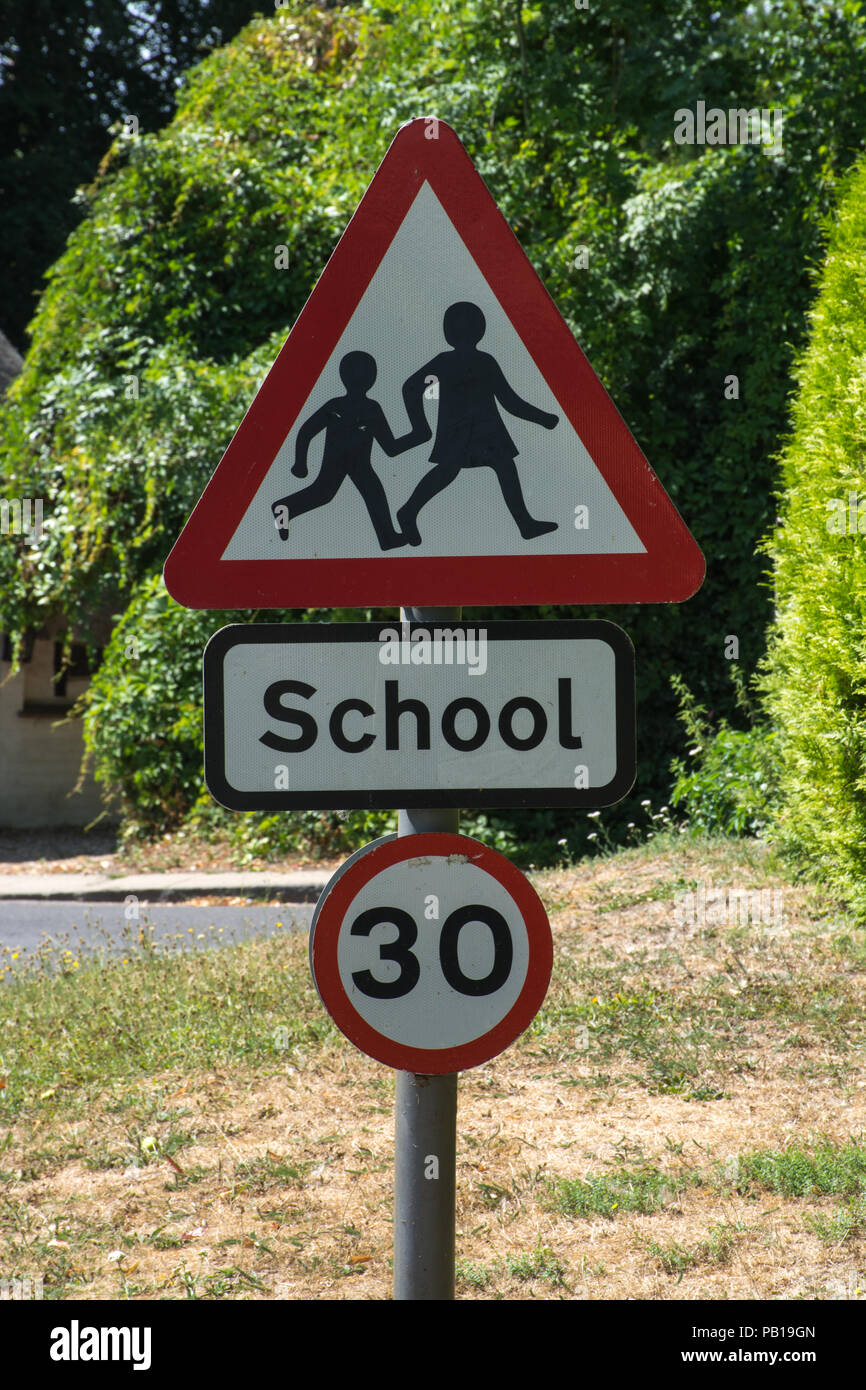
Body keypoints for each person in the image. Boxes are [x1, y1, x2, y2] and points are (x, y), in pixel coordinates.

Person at [396, 301, 560, 546]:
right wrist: (543, 418)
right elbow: (510, 402)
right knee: (451, 471)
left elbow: (509, 401)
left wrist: (419, 427)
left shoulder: (459, 362)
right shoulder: (477, 361)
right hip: (470, 431)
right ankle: (408, 511)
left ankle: (525, 523)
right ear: (481, 330)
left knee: (497, 467)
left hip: (483, 432)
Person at [272, 350, 412, 550]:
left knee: (368, 493)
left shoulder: (368, 408)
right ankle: (283, 507)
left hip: (359, 464)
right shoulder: (341, 406)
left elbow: (390, 447)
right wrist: (299, 462)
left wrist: (417, 437)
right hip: (337, 461)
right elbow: (307, 431)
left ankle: (388, 537)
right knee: (327, 494)